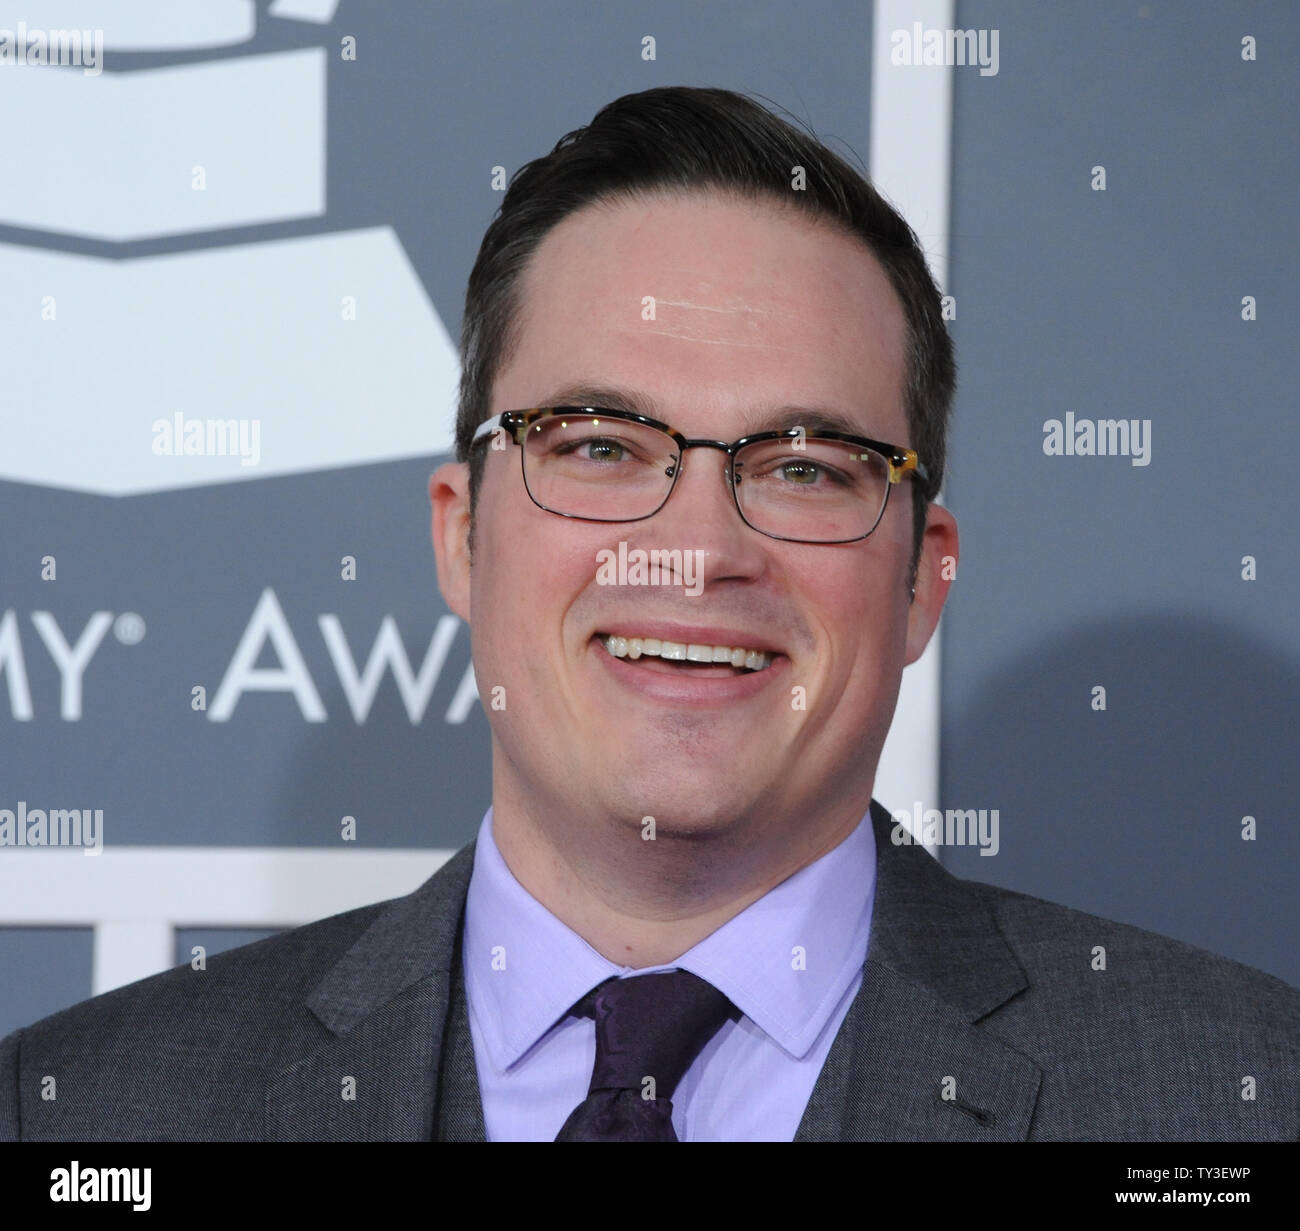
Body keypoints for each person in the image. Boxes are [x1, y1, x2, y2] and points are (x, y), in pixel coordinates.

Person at [2, 86, 1296, 1143]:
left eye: (803, 467)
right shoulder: (89, 1119)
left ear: (921, 578)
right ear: (461, 532)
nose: (697, 550)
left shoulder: (1241, 1102)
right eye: (603, 445)